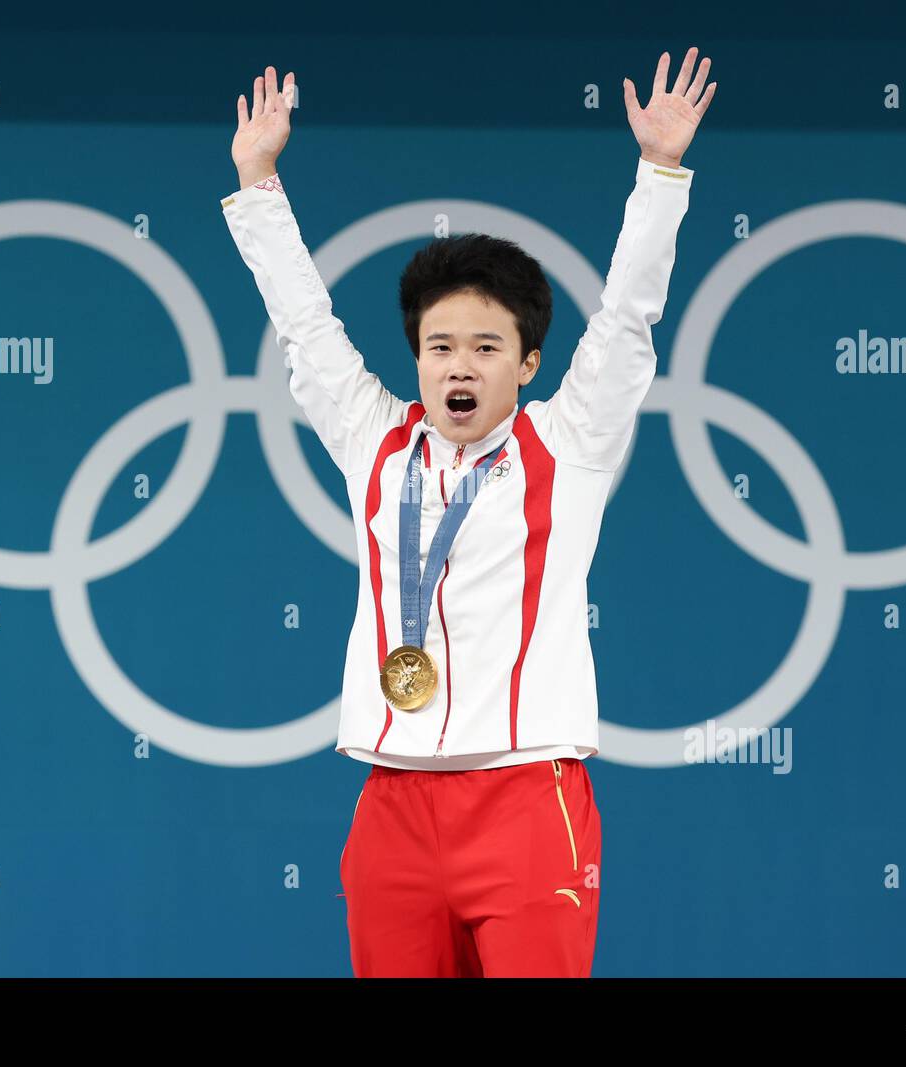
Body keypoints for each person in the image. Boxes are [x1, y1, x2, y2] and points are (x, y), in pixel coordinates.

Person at [221, 50, 715, 977]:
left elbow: (628, 318)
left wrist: (660, 175)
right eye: (440, 345)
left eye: (487, 346)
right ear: (415, 357)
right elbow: (305, 326)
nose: (460, 365)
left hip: (530, 801)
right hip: (393, 807)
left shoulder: (566, 449)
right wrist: (257, 183)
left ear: (527, 364)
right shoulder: (374, 443)